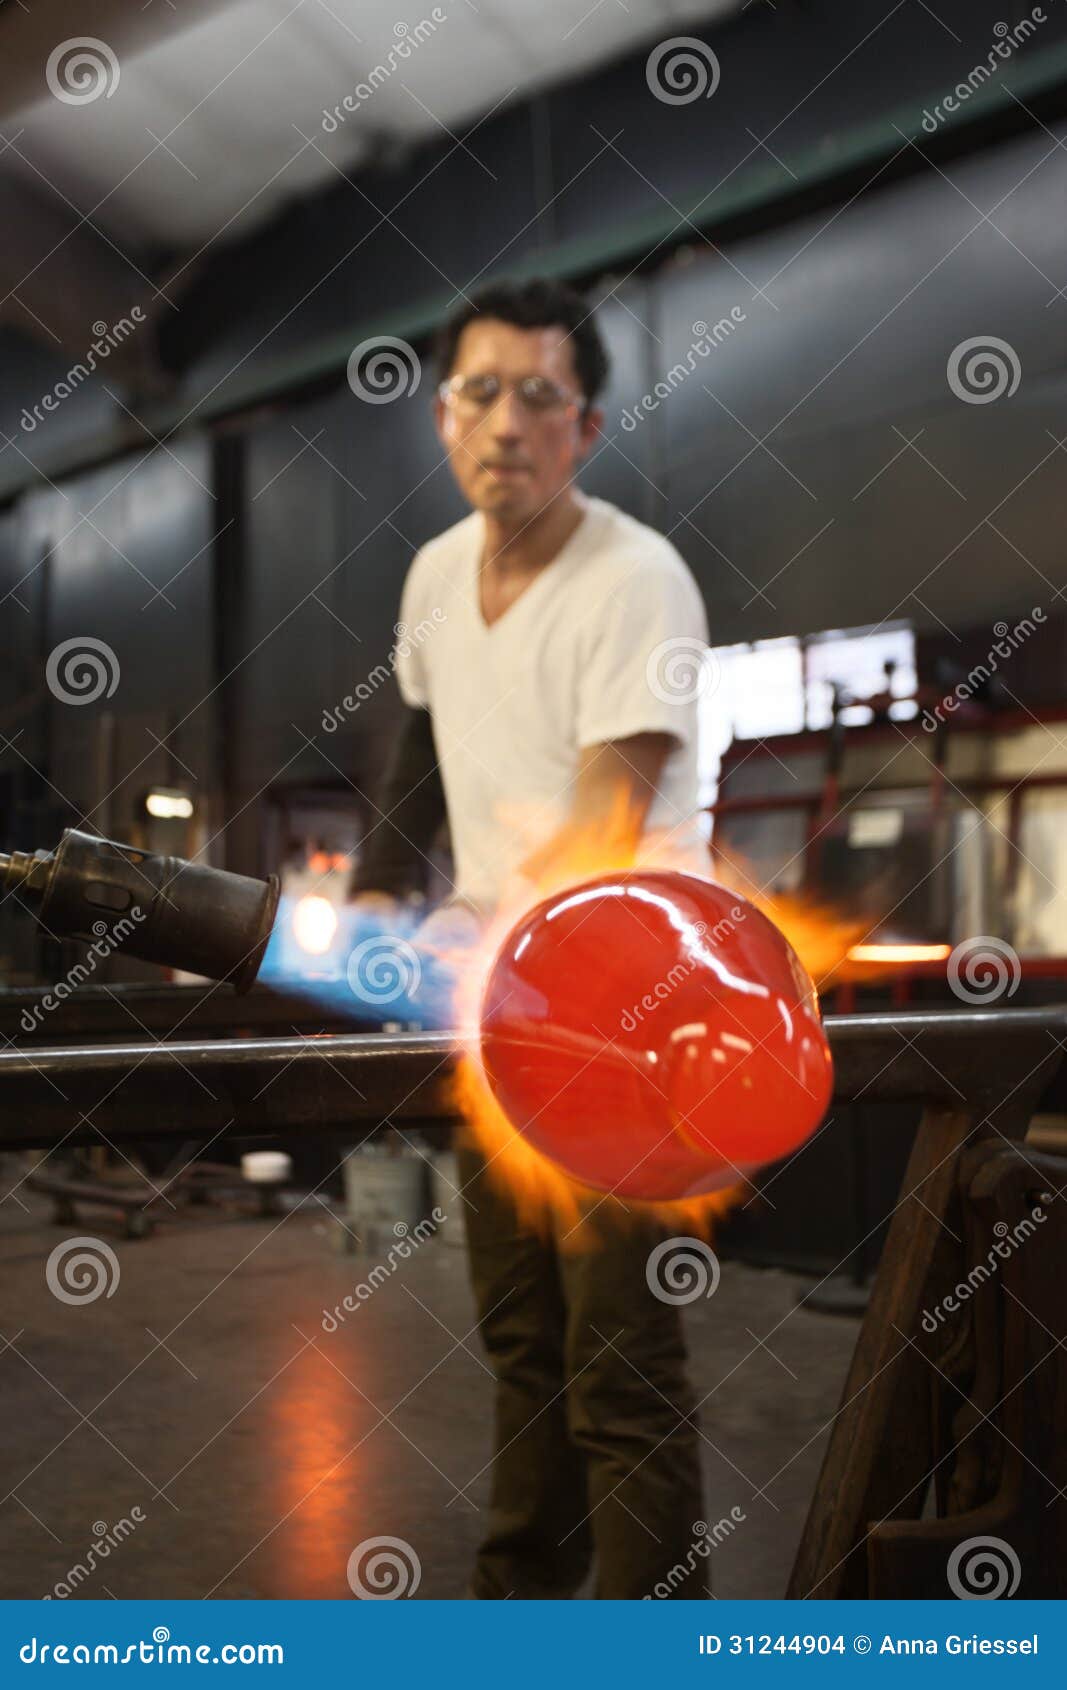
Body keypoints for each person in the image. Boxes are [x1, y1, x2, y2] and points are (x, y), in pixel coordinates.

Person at [352, 278, 711, 1599]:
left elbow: (602, 836)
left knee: (617, 1361)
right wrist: (380, 922)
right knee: (520, 1342)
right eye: (480, 392)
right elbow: (420, 775)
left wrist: (461, 943)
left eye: (540, 397)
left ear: (589, 427)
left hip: (630, 1019)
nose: (508, 421)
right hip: (500, 1011)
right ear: (444, 417)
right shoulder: (436, 576)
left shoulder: (635, 580)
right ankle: (520, 1616)